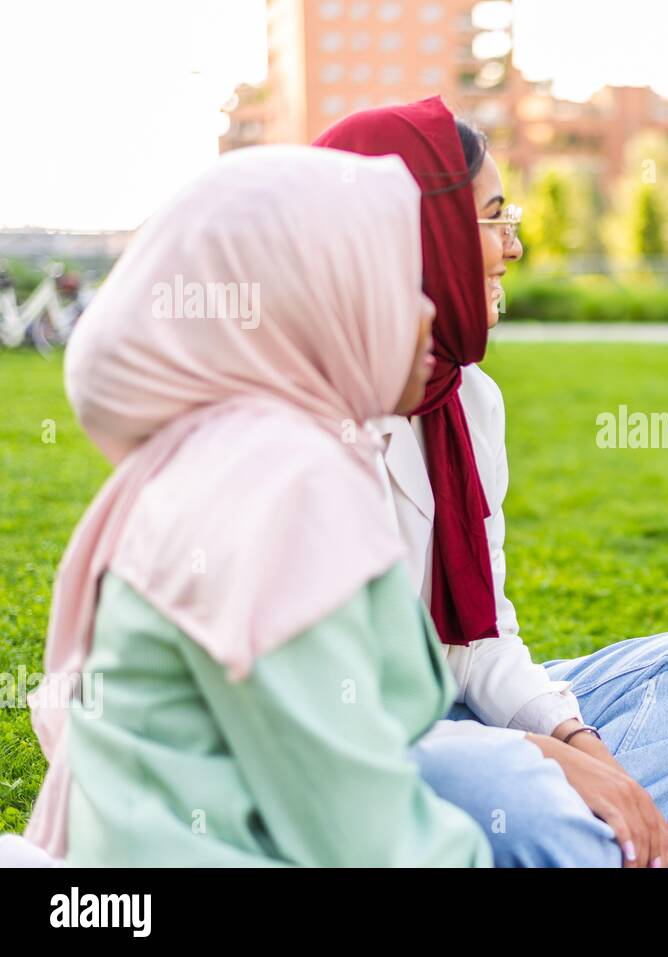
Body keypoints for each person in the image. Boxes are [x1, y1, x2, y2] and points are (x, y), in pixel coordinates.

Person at [314, 97, 668, 868]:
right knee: (528, 796)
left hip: (452, 702)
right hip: (359, 729)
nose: (514, 247)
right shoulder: (303, 415)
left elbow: (479, 637)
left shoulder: (467, 399)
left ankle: (598, 835)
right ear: (417, 233)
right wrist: (542, 759)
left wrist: (573, 738)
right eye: (494, 219)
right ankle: (629, 844)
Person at [24, 144, 491, 866]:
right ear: (314, 298)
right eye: (399, 281)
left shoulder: (243, 453)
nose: (430, 310)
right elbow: (372, 841)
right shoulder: (282, 483)